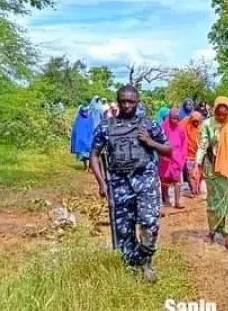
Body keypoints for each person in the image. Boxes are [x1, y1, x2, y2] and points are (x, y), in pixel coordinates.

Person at [90, 85, 172, 283]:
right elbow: (94, 154)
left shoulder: (148, 125)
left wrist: (151, 143)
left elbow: (168, 150)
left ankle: (146, 262)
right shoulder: (106, 126)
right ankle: (133, 268)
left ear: (138, 102)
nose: (126, 105)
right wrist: (101, 183)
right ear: (118, 101)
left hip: (145, 181)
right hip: (118, 184)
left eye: (131, 101)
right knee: (124, 230)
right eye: (123, 101)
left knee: (149, 223)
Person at [195, 97, 228, 251]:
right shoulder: (207, 124)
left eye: (225, 114)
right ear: (214, 112)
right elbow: (203, 145)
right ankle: (212, 231)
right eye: (219, 115)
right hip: (212, 167)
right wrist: (197, 164)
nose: (222, 118)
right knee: (213, 201)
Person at [159, 107, 187, 209]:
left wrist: (183, 157)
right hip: (165, 157)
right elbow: (159, 141)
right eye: (173, 118)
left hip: (177, 157)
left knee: (177, 180)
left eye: (177, 118)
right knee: (164, 180)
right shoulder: (163, 127)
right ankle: (166, 200)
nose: (175, 121)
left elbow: (184, 143)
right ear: (169, 117)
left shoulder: (181, 128)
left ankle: (177, 202)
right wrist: (162, 153)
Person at [182, 112, 203, 197]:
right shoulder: (185, 127)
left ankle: (197, 188)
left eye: (197, 121)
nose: (196, 123)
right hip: (189, 155)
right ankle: (193, 189)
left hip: (199, 154)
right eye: (194, 121)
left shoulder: (201, 128)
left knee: (199, 173)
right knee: (190, 173)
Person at [70, 105, 95, 170]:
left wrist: (91, 137)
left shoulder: (90, 118)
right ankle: (85, 166)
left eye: (86, 111)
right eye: (84, 112)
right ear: (81, 112)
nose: (85, 113)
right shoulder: (79, 119)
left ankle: (90, 167)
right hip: (81, 141)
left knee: (90, 154)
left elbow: (92, 129)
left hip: (89, 139)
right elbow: (76, 131)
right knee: (83, 155)